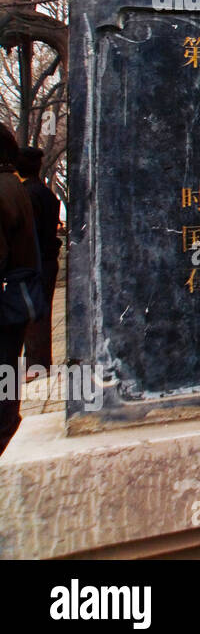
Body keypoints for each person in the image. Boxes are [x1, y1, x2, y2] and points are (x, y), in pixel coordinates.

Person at [0, 124, 38, 457]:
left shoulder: (3, 188)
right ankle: (7, 419)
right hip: (17, 294)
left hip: (6, 293)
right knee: (8, 364)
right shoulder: (15, 186)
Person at [16, 147, 60, 381]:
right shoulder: (45, 193)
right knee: (41, 312)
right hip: (48, 259)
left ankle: (37, 364)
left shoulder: (27, 195)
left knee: (35, 314)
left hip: (36, 261)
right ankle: (39, 362)